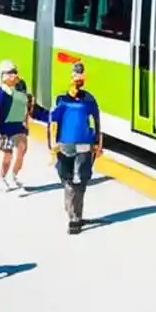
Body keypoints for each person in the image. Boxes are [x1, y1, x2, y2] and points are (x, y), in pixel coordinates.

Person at [49, 62, 102, 234]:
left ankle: (75, 217)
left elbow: (96, 121)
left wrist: (97, 143)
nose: (78, 79)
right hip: (66, 144)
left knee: (81, 180)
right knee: (69, 179)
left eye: (80, 76)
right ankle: (73, 213)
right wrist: (52, 144)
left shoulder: (89, 99)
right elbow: (53, 122)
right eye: (75, 76)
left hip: (85, 144)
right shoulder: (61, 100)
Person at [0, 59, 32, 191]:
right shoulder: (0, 93)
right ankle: (2, 177)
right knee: (8, 155)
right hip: (5, 129)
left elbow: (25, 109)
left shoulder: (20, 89)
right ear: (3, 76)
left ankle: (14, 175)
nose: (13, 75)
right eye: (9, 73)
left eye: (14, 72)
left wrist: (27, 124)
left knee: (22, 151)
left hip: (19, 127)